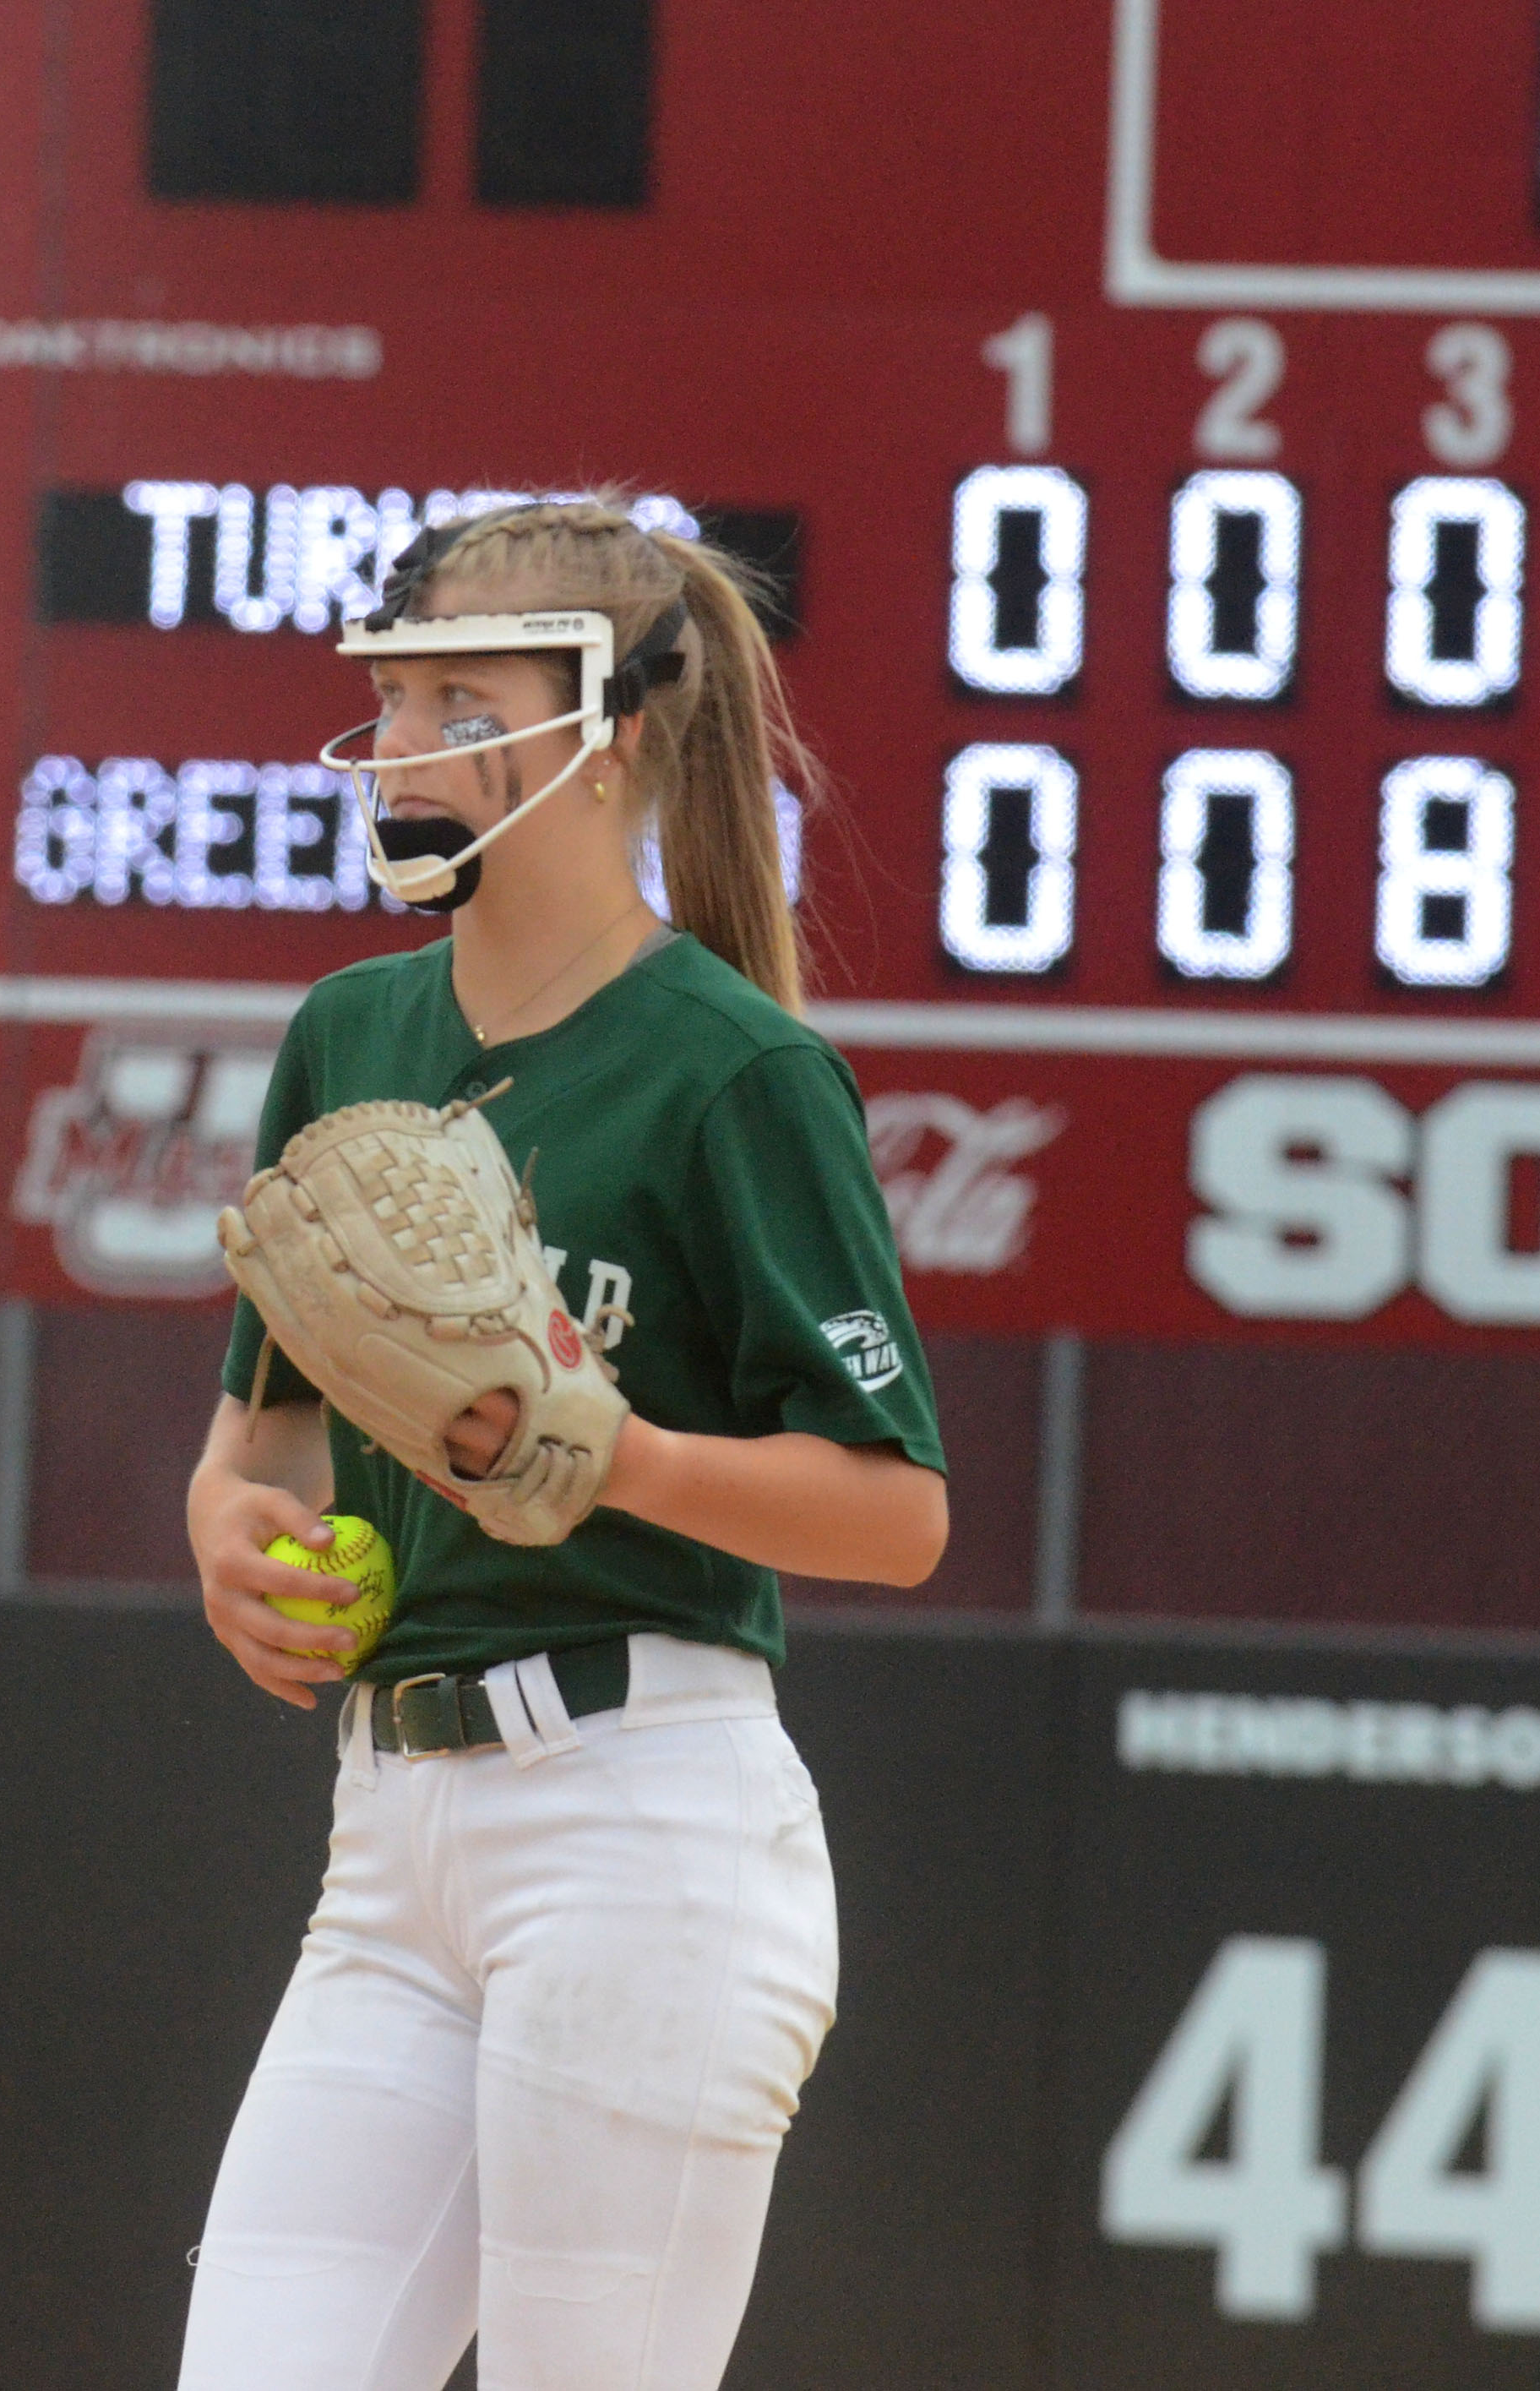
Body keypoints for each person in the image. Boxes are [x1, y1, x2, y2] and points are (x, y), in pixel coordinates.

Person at [179, 496, 951, 2391]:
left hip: (641, 1819)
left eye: (466, 695)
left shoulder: (729, 1066)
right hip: (392, 1834)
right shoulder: (349, 1031)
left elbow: (898, 1510)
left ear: (608, 740)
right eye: (397, 690)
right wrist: (227, 1534)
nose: (409, 735)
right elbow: (260, 1444)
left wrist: (614, 1450)